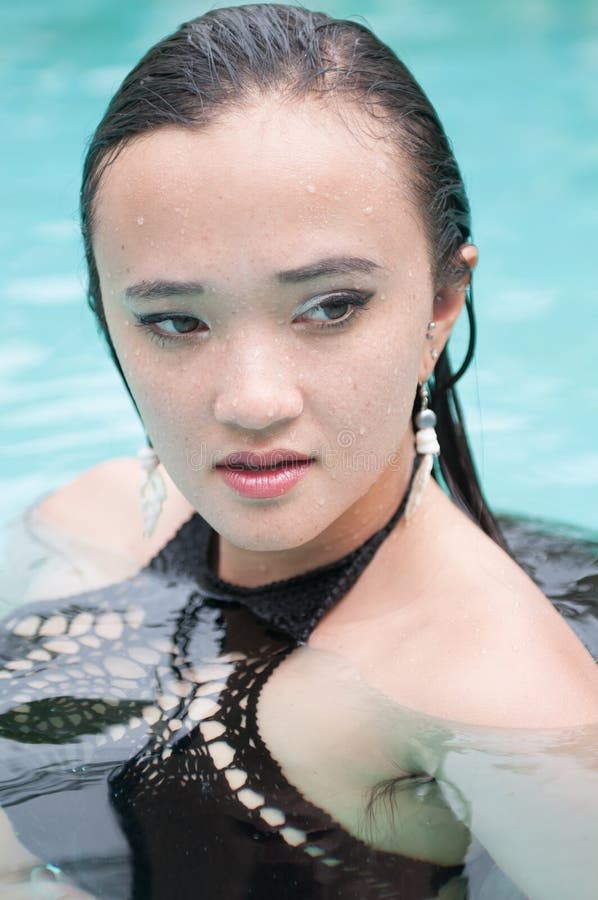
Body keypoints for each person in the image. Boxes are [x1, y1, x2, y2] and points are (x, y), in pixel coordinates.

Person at [1, 5, 597, 899]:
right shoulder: (87, 521)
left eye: (330, 307)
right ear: (107, 322)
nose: (252, 402)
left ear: (441, 304)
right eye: (175, 321)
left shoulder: (494, 693)